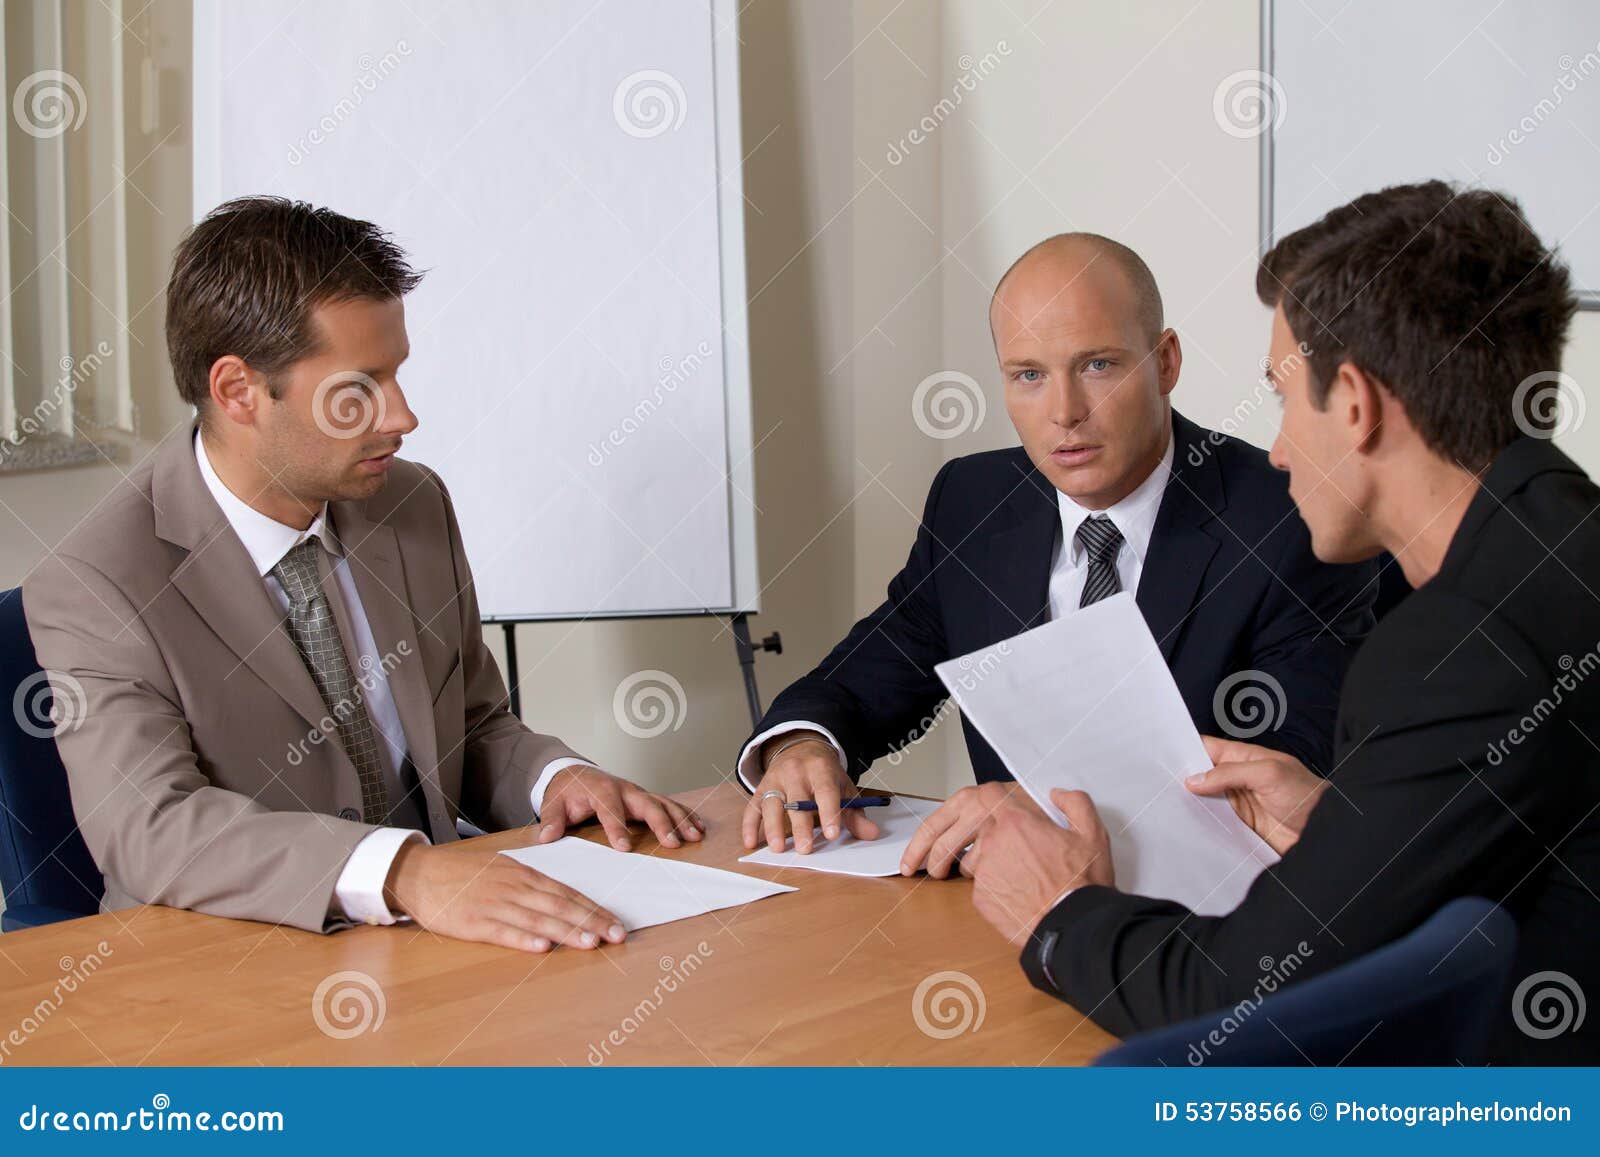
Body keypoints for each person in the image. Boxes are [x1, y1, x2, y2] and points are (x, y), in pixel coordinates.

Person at [966, 181, 1600, 1064]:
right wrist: (1349, 822)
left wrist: (1059, 914)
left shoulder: (1459, 650)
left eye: (1281, 397)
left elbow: (1232, 1003)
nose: (1275, 451)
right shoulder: (1568, 535)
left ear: (1356, 404)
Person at [23, 197, 702, 951]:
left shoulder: (412, 504)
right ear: (237, 390)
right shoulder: (97, 580)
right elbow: (150, 828)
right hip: (232, 961)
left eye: (398, 374)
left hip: (441, 940)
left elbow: (472, 725)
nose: (403, 416)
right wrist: (405, 872)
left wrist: (555, 779)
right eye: (360, 386)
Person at [737, 232, 1377, 871]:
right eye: (1030, 376)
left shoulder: (1289, 516)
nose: (1065, 412)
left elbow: (1293, 777)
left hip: (1205, 927)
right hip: (1008, 915)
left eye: (1098, 365)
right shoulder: (973, 501)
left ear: (1165, 362)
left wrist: (1041, 811)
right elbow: (870, 671)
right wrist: (801, 746)